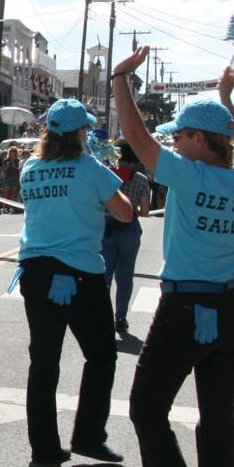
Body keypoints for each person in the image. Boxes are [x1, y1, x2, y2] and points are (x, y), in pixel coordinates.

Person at [113, 48, 234, 467]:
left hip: (185, 311)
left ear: (200, 141)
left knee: (146, 408)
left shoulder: (191, 176)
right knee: (218, 420)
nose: (172, 142)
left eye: (180, 135)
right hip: (231, 311)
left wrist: (120, 80)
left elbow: (136, 138)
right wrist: (225, 99)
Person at [12, 98, 134, 467]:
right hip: (80, 271)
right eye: (85, 129)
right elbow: (125, 212)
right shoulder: (90, 167)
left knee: (44, 361)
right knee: (100, 355)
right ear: (80, 133)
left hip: (35, 269)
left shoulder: (29, 166)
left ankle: (44, 447)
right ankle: (88, 436)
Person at [102, 140, 152, 333]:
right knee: (125, 276)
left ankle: (103, 314)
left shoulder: (106, 173)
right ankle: (121, 316)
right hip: (129, 228)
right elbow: (146, 211)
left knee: (104, 274)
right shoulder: (140, 179)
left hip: (106, 226)